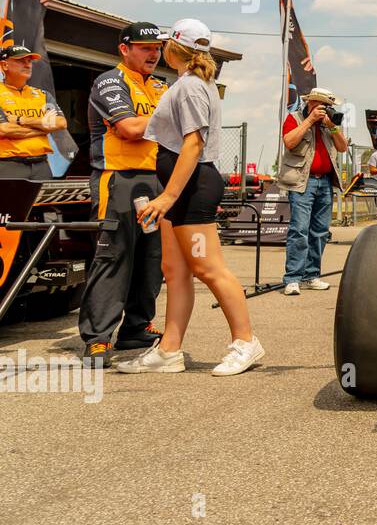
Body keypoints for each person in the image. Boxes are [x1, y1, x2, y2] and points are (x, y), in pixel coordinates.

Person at [117, 19, 265, 376]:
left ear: (173, 47)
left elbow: (194, 143)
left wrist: (167, 196)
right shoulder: (186, 83)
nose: (160, 50)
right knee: (175, 270)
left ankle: (246, 342)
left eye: (163, 44)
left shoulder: (192, 87)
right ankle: (169, 350)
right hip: (182, 187)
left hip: (193, 187)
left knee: (207, 267)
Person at [78, 22, 170, 367]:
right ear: (125, 49)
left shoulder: (160, 86)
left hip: (155, 181)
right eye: (145, 47)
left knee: (150, 260)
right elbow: (130, 129)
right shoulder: (110, 81)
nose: (153, 53)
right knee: (113, 257)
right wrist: (167, 116)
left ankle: (136, 327)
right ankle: (98, 337)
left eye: (157, 48)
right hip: (118, 178)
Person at [279, 86, 348, 296]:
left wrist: (332, 126)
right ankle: (292, 278)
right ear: (309, 103)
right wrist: (309, 121)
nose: (322, 109)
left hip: (325, 182)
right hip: (302, 181)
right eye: (318, 105)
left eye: (326, 106)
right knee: (299, 229)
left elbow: (343, 147)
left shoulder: (330, 124)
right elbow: (289, 142)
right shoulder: (295, 118)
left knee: (319, 232)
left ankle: (311, 275)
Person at [0, 44, 67, 180]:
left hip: (41, 165)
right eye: (20, 61)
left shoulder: (42, 94)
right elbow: (4, 129)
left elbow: (61, 123)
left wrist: (21, 120)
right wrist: (44, 129)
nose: (27, 65)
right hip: (8, 165)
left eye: (29, 61)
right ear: (4, 65)